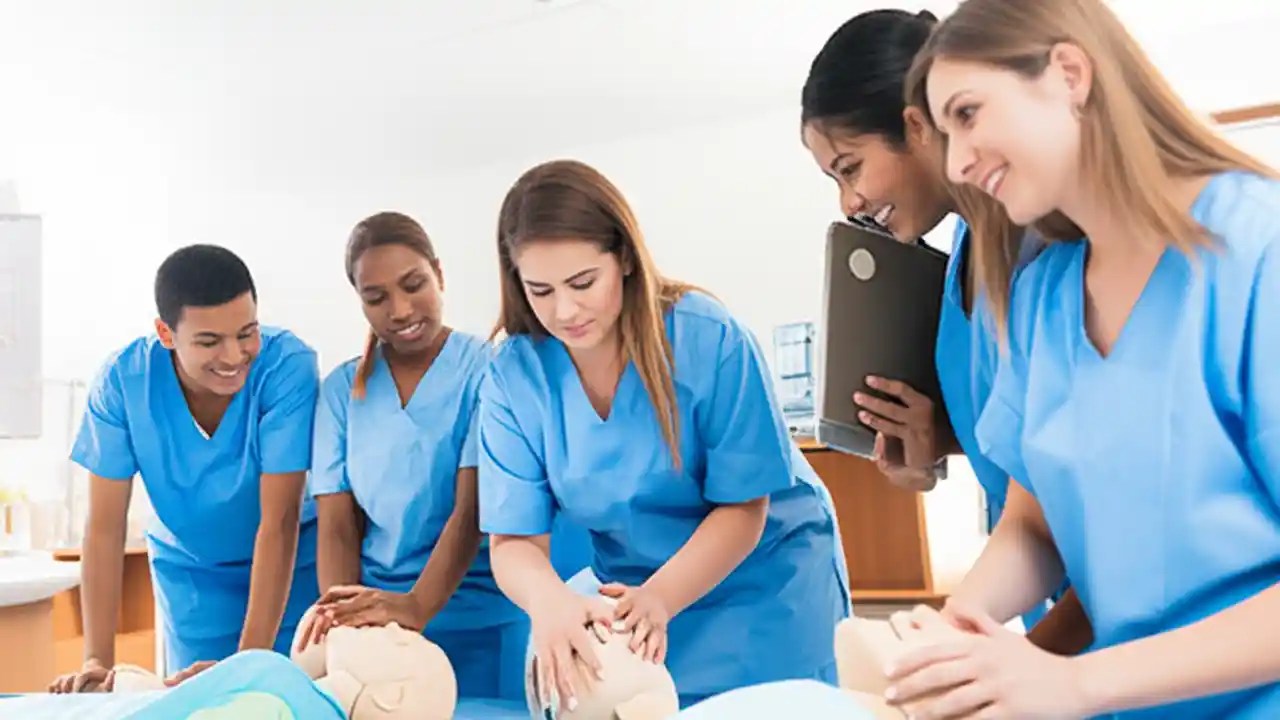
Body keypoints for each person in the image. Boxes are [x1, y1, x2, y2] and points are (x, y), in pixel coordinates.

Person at [882, 0, 1280, 717]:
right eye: (944, 134)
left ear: (1069, 73)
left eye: (968, 114)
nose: (959, 162)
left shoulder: (1258, 252)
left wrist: (1074, 683)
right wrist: (954, 632)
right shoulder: (1043, 296)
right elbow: (1037, 526)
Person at [477, 159, 851, 711]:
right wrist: (548, 601)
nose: (565, 310)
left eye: (583, 282)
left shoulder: (709, 339)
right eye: (541, 290)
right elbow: (513, 542)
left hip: (763, 585)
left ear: (624, 257)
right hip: (633, 603)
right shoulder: (514, 375)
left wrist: (661, 598)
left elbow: (744, 508)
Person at [800, 8, 1086, 648]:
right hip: (1039, 597)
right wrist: (937, 442)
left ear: (915, 129)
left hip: (1101, 620)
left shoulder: (1051, 254)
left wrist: (996, 662)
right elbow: (1023, 464)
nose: (849, 203)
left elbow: (1084, 504)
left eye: (850, 167)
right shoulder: (962, 254)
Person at [52, 244, 320, 692]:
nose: (234, 356)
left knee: (280, 698)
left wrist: (246, 666)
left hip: (292, 569)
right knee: (202, 704)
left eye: (246, 333)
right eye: (209, 341)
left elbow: (280, 521)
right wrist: (97, 659)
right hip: (193, 578)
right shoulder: (123, 382)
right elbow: (104, 527)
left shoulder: (286, 367)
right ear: (166, 333)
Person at [298, 211, 528, 701]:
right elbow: (337, 525)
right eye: (376, 298)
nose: (399, 310)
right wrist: (345, 624)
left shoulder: (488, 369)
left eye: (413, 284)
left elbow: (472, 511)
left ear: (439, 275)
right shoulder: (341, 391)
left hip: (479, 615)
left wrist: (416, 607)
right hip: (380, 627)